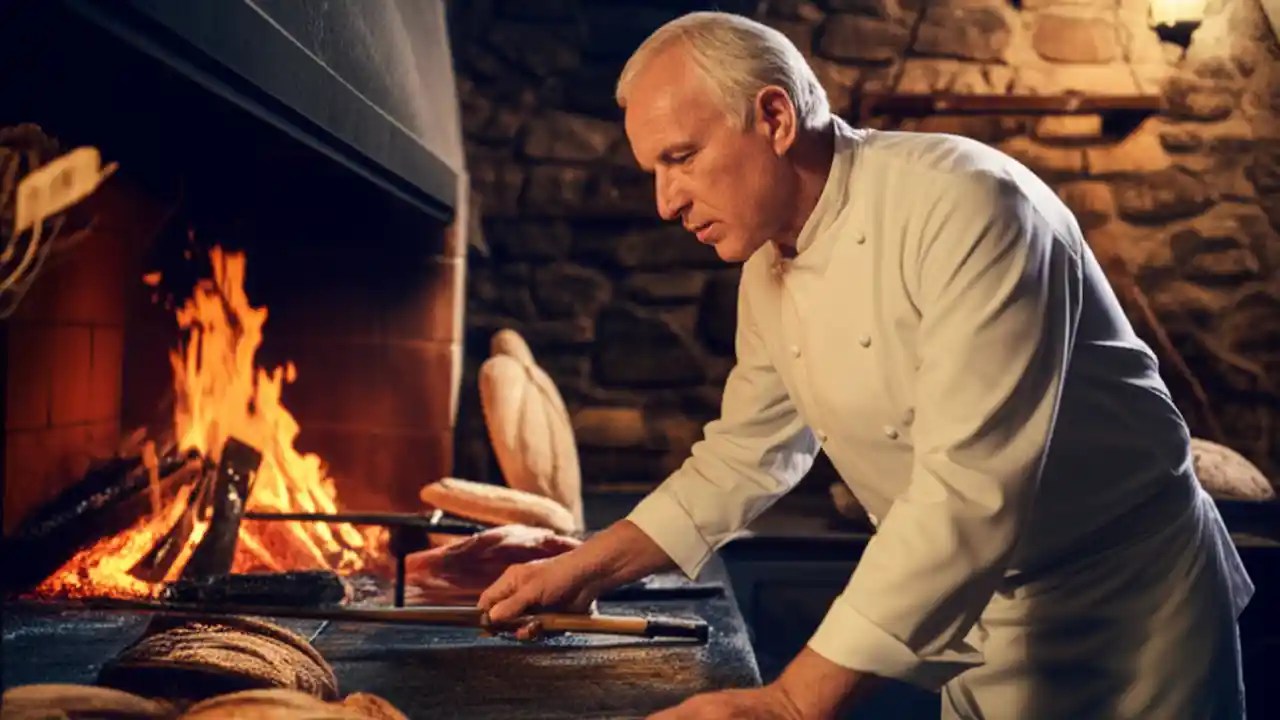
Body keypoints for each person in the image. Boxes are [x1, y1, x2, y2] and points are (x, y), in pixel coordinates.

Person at [478, 11, 1254, 720]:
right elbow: (744, 458)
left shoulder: (968, 205)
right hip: (985, 615)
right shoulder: (768, 270)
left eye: (680, 158)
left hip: (1130, 606)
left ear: (774, 117)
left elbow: (970, 488)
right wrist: (588, 567)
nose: (664, 202)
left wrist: (789, 703)